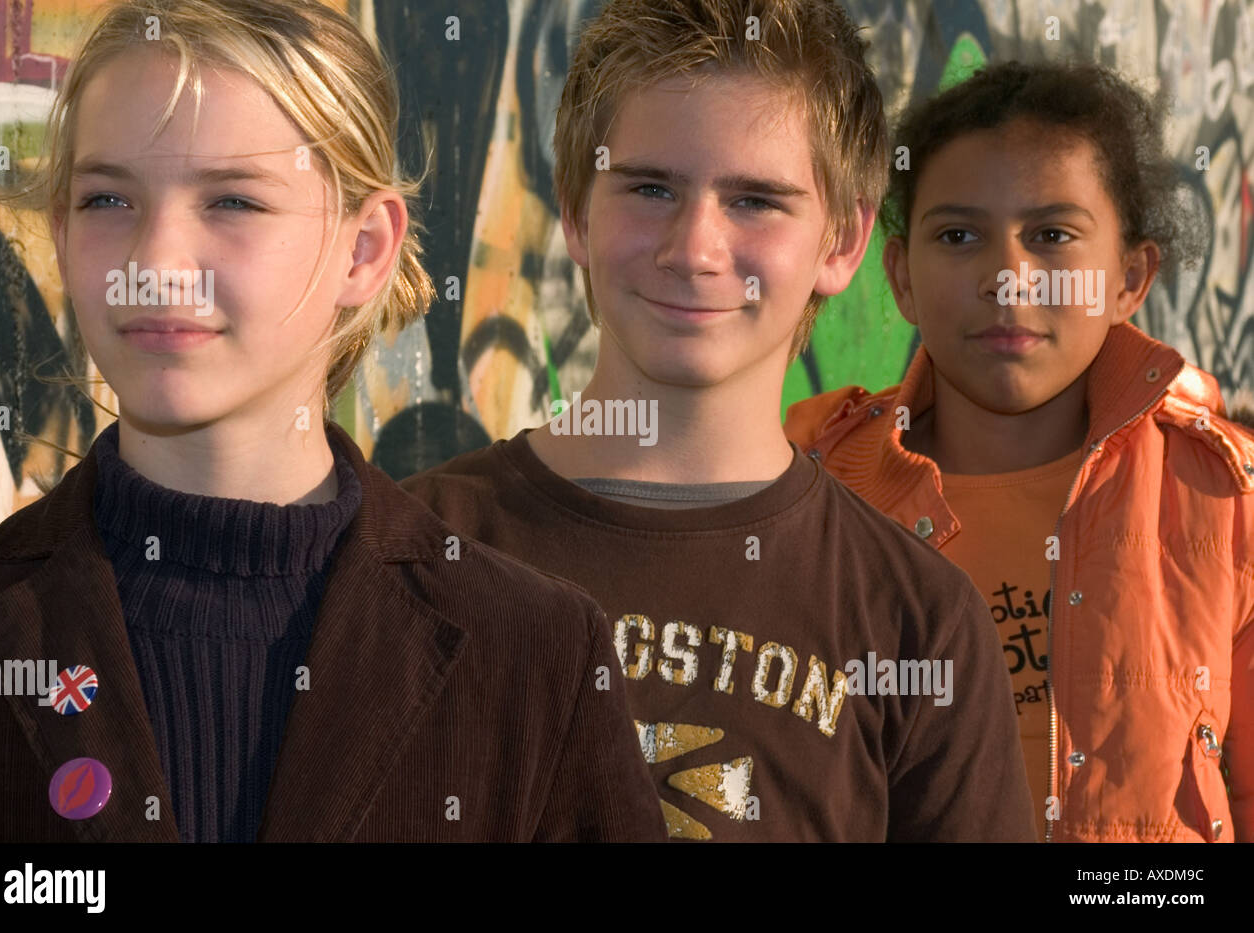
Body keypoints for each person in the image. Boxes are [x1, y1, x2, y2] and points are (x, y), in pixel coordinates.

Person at [0, 0, 666, 843]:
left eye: (233, 202)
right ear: (62, 231)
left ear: (363, 251)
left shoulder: (532, 653)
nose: (155, 265)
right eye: (108, 198)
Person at [404, 0, 1034, 841]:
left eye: (755, 201)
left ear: (842, 242)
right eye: (651, 187)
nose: (694, 248)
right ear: (575, 208)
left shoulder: (918, 622)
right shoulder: (411, 550)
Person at [784, 60, 1254, 842]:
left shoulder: (1225, 496)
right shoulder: (811, 487)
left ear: (1129, 276)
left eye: (1052, 236)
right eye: (959, 235)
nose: (1007, 278)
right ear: (901, 275)